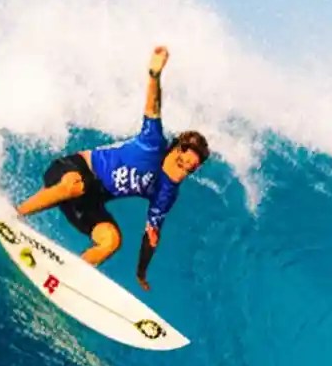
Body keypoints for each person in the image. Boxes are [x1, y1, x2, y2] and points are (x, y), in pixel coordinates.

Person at [16, 45, 210, 291]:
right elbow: (153, 108)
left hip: (89, 201)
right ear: (176, 150)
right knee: (76, 185)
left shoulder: (167, 192)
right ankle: (15, 215)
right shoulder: (152, 144)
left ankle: (65, 279)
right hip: (72, 171)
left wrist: (141, 273)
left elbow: (151, 234)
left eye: (189, 171)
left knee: (112, 241)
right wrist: (154, 75)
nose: (183, 173)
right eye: (183, 165)